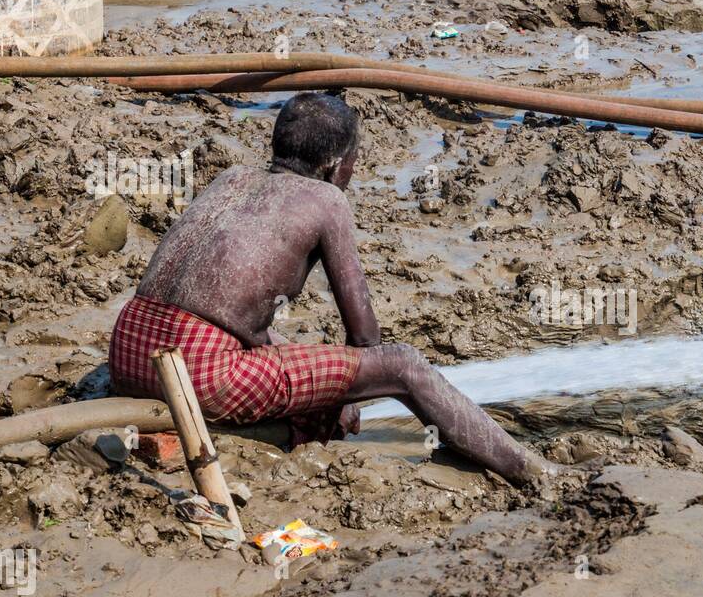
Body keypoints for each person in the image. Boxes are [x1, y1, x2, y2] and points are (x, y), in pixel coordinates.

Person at [109, 92, 553, 484]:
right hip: (197, 376)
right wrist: (348, 391)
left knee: (284, 345)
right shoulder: (327, 200)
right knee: (402, 365)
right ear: (337, 164)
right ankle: (529, 469)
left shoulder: (232, 178)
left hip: (130, 351)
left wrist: (333, 384)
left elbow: (223, 308)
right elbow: (364, 339)